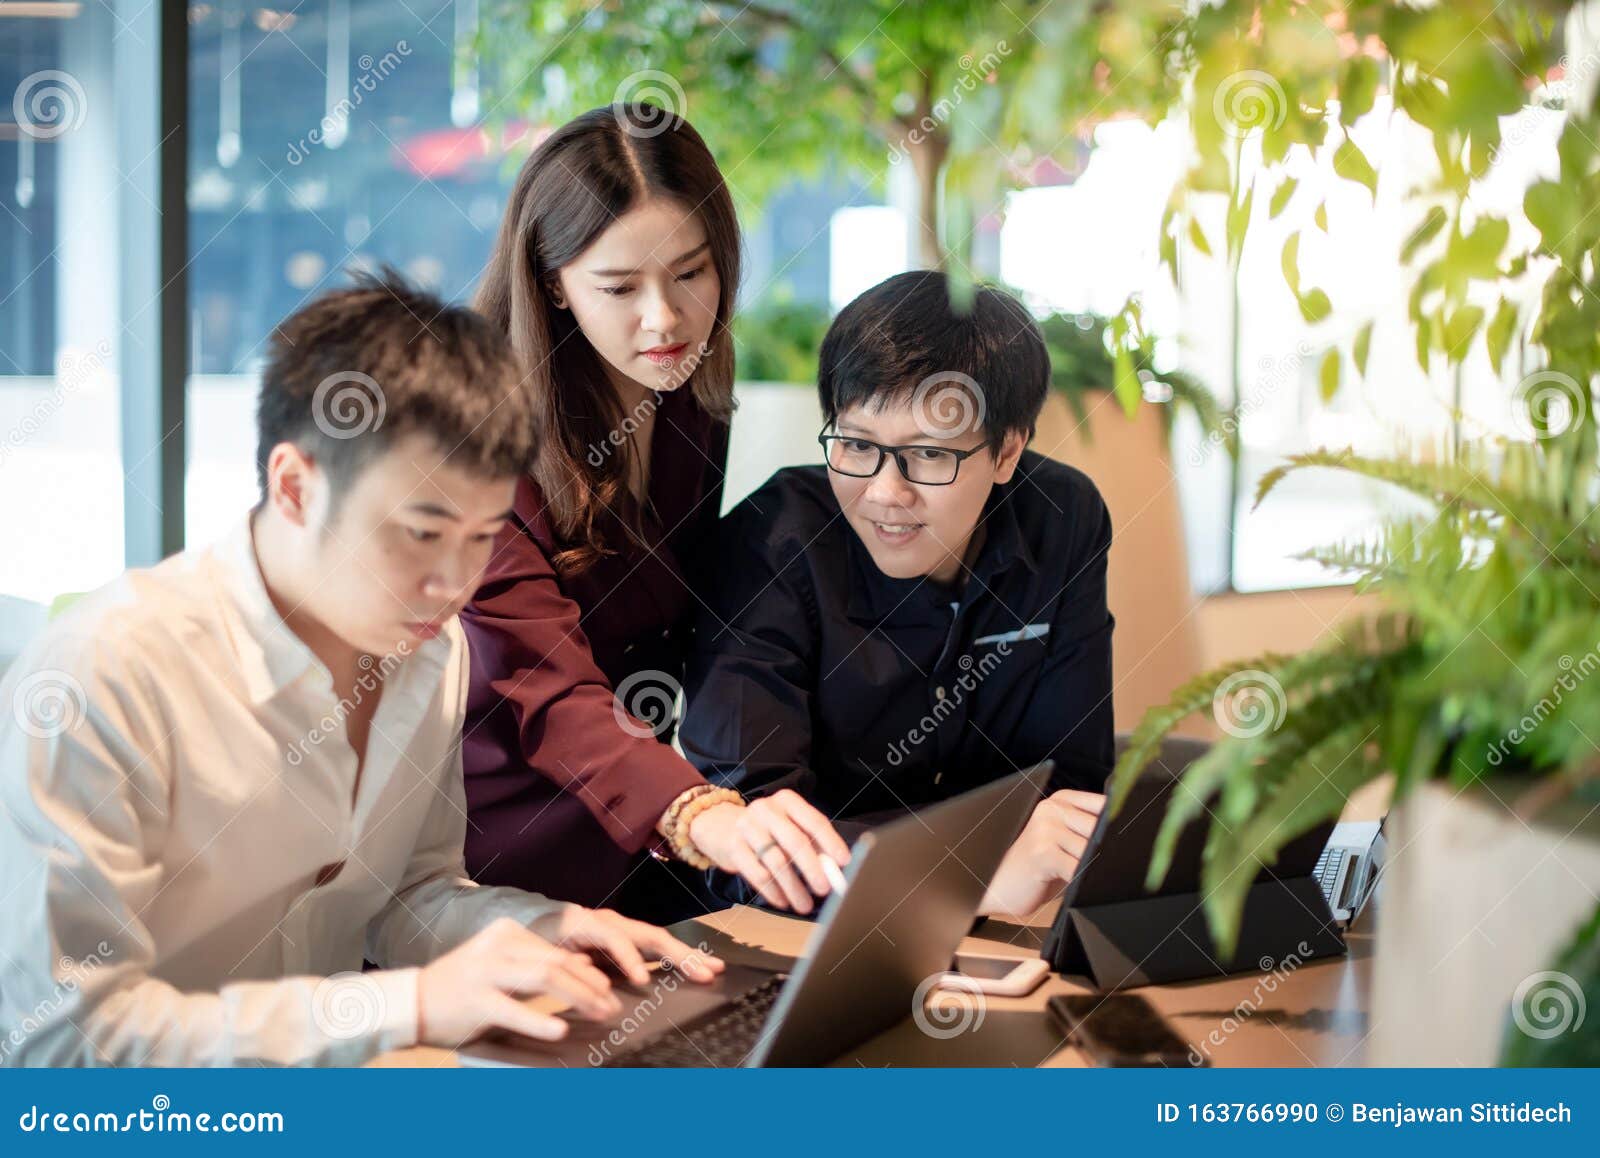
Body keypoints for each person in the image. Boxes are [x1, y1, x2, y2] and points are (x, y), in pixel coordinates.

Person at [0, 273, 720, 1067]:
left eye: (481, 537)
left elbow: (406, 895)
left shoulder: (426, 651)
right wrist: (400, 1005)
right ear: (296, 487)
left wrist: (532, 927)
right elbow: (58, 1041)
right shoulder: (105, 675)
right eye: (420, 533)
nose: (455, 585)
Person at [464, 103, 849, 925]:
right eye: (619, 286)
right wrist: (697, 811)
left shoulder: (684, 405)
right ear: (551, 286)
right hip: (493, 865)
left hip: (641, 843)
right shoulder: (480, 444)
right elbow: (549, 687)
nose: (665, 317)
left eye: (691, 272)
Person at [680, 271, 1115, 920]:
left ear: (1007, 453)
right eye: (857, 445)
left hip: (989, 942)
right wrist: (966, 875)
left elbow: (1069, 784)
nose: (886, 492)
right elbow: (753, 841)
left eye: (929, 456)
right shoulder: (771, 544)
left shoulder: (1063, 518)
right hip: (780, 949)